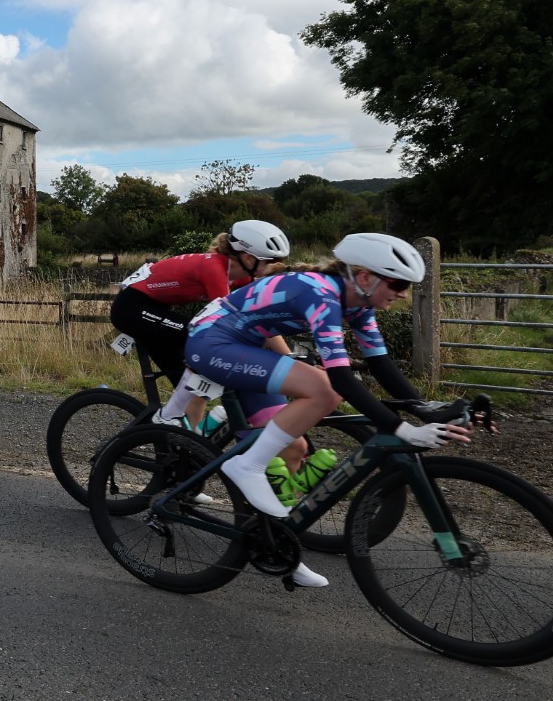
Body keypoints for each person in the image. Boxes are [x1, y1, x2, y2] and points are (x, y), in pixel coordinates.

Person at [185, 233, 470, 589]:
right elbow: (340, 377)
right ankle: (246, 465)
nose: (402, 293)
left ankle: (276, 541)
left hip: (246, 345)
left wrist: (430, 411)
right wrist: (401, 429)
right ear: (365, 277)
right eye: (398, 283)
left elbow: (380, 364)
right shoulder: (320, 292)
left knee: (293, 447)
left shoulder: (359, 303)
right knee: (323, 390)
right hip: (213, 341)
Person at [119, 221, 291, 429]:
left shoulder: (241, 277)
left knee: (195, 385)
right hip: (132, 308)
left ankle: (190, 447)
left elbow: (258, 320)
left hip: (158, 310)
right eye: (270, 262)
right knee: (199, 338)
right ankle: (167, 418)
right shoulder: (214, 268)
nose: (275, 267)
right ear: (248, 258)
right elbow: (228, 323)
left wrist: (288, 358)